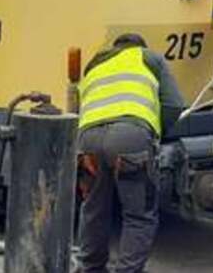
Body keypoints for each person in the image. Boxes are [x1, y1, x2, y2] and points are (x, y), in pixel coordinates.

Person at [77, 33, 185, 273]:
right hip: (131, 136)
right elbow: (175, 105)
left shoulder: (95, 63)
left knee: (94, 209)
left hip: (88, 138)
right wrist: (156, 132)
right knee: (139, 214)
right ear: (139, 46)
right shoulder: (148, 57)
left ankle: (89, 268)